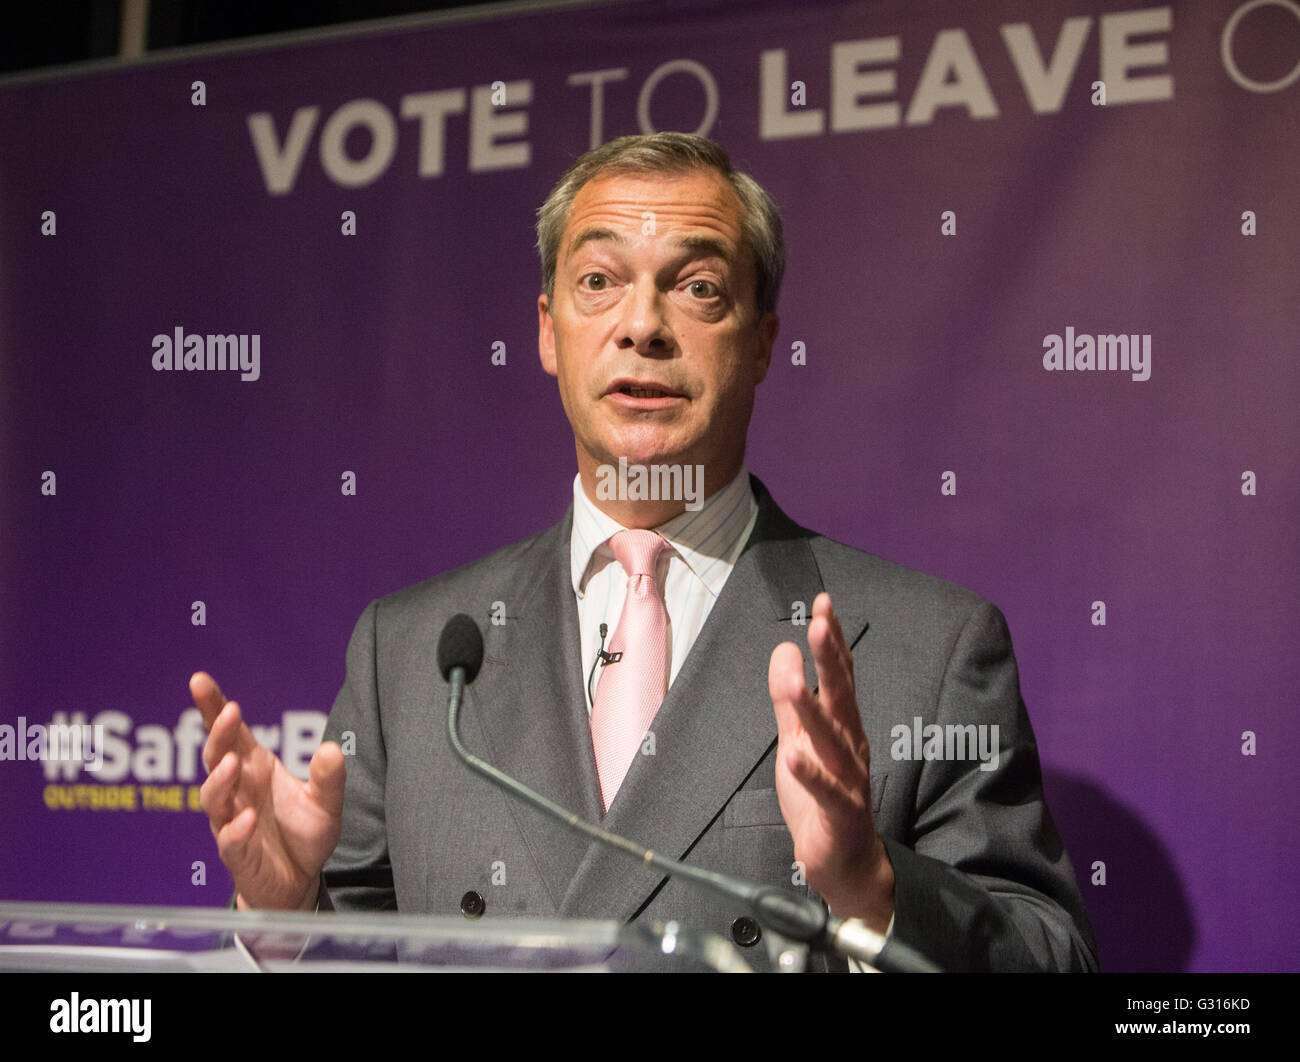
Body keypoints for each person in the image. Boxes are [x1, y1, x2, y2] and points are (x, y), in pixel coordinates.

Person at [191, 132, 1097, 972]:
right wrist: (283, 920)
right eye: (599, 282)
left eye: (698, 287)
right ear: (548, 331)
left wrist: (869, 886)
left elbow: (1051, 955)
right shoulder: (414, 651)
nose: (643, 325)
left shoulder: (925, 646)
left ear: (763, 341)